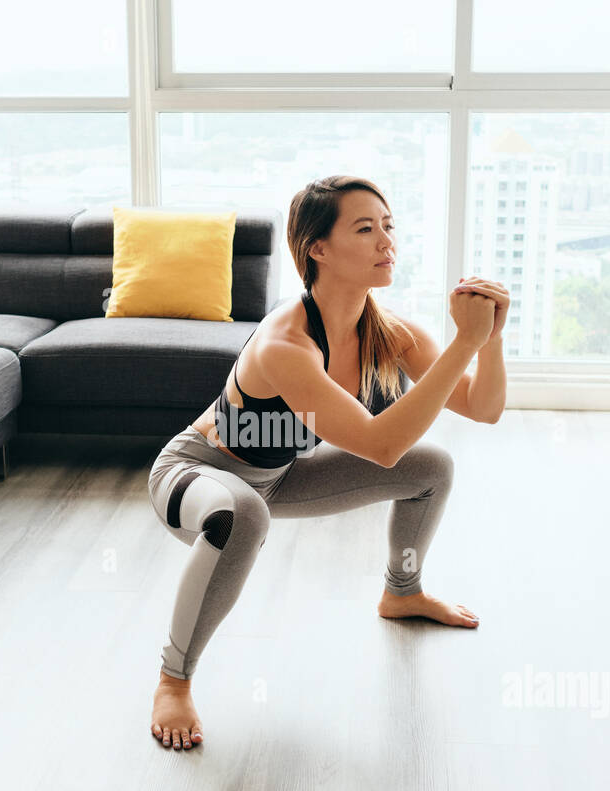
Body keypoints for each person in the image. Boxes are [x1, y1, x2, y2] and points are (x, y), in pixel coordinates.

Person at [146, 174, 509, 751]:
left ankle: (403, 592)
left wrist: (488, 341)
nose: (386, 241)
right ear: (317, 249)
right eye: (365, 229)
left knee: (432, 468)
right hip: (197, 475)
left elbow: (482, 408)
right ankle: (174, 678)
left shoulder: (389, 332)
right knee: (243, 515)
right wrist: (463, 344)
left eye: (388, 226)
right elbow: (381, 444)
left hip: (280, 478)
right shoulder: (285, 343)